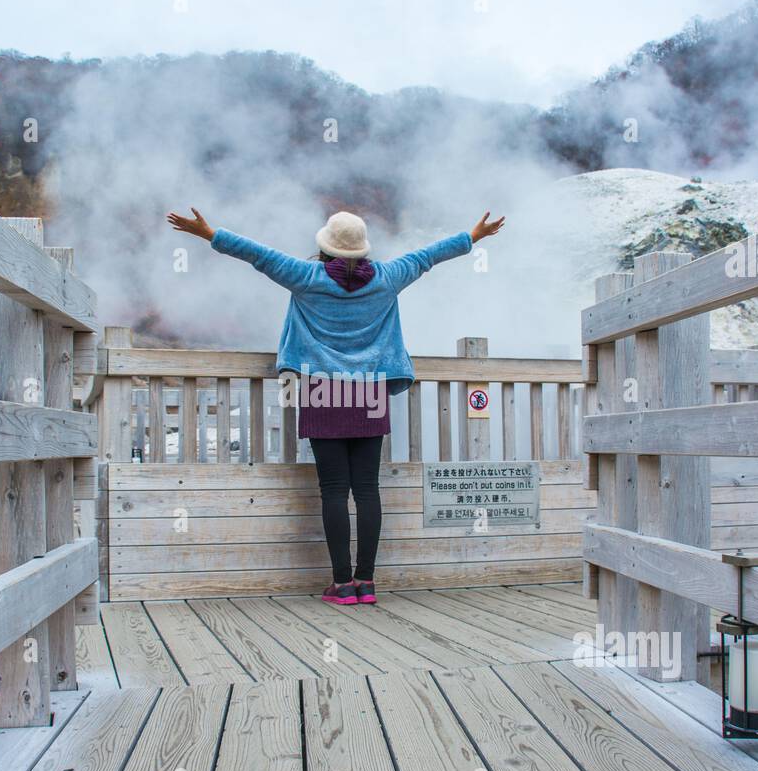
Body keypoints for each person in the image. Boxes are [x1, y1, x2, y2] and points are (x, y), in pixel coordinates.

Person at [166, 206, 506, 605]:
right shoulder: (387, 278)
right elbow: (428, 256)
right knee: (366, 490)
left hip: (321, 390)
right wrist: (473, 236)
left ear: (325, 248)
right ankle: (367, 583)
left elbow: (257, 254)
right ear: (362, 251)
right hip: (369, 391)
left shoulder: (307, 278)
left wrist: (209, 233)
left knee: (333, 490)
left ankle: (342, 583)